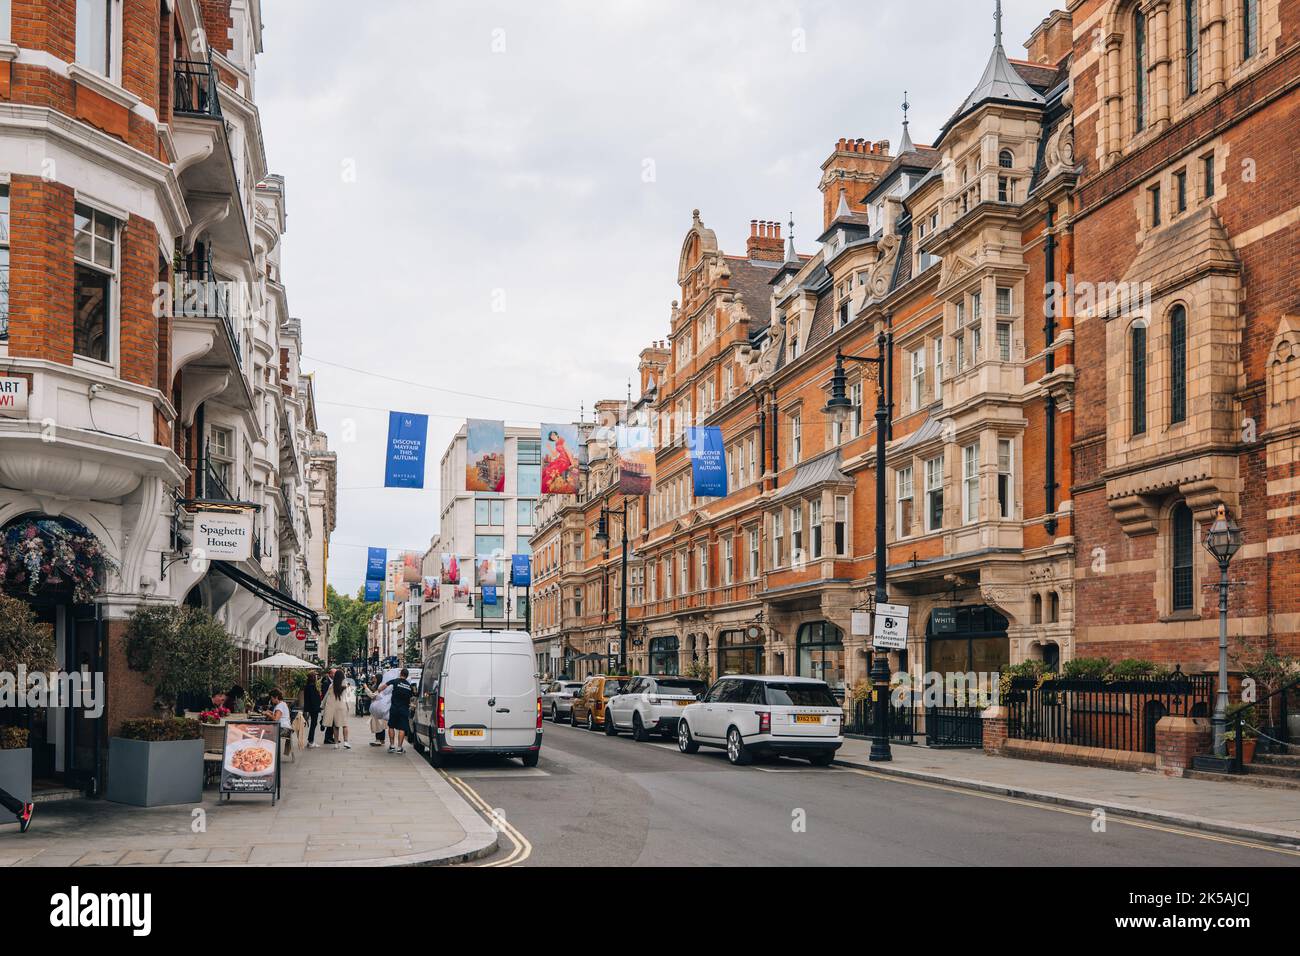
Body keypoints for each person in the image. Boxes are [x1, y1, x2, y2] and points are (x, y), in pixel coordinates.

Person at [376, 668, 415, 754]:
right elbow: (412, 698)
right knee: (402, 728)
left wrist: (378, 691)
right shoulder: (409, 686)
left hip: (394, 708)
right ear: (407, 676)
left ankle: (392, 746)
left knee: (391, 726)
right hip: (404, 709)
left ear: (400, 674)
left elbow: (384, 686)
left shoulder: (395, 681)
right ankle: (400, 748)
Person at [320, 668, 353, 749]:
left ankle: (336, 744)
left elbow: (326, 696)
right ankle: (346, 742)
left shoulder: (332, 685)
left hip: (334, 707)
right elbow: (349, 697)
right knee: (345, 725)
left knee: (336, 726)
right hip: (342, 707)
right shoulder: (346, 685)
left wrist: (322, 706)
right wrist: (350, 707)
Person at [303, 672, 322, 748]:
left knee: (313, 724)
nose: (316, 678)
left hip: (311, 708)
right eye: (315, 677)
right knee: (313, 724)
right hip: (314, 709)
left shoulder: (307, 686)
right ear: (313, 678)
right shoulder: (311, 687)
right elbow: (314, 699)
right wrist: (318, 707)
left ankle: (310, 741)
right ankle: (311, 741)